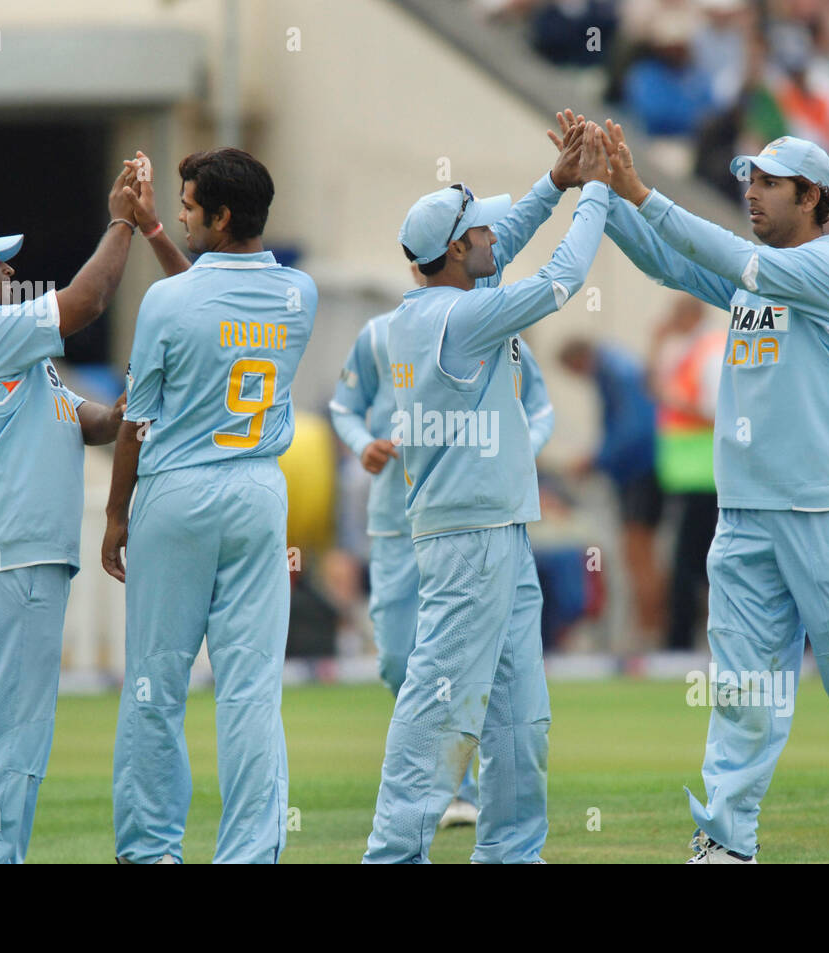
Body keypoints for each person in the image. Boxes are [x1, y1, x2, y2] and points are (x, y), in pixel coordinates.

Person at [591, 119, 829, 863]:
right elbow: (672, 263)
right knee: (743, 690)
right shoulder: (755, 278)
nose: (752, 194)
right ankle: (727, 840)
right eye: (750, 181)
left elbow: (725, 253)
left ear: (814, 197)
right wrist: (603, 195)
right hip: (746, 513)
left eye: (769, 184)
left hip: (828, 509)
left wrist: (639, 188)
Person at [363, 114, 610, 864]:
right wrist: (596, 192)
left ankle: (511, 853)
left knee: (518, 719)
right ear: (456, 251)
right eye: (481, 234)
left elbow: (508, 238)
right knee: (441, 709)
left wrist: (558, 182)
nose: (492, 240)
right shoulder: (462, 318)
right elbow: (562, 278)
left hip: (497, 529)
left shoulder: (435, 302)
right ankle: (392, 853)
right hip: (468, 538)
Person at [0, 158, 147, 863]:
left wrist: (138, 405)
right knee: (4, 726)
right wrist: (121, 222)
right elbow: (88, 300)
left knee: (17, 727)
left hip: (12, 554)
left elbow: (91, 421)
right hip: (8, 553)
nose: (11, 275)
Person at [102, 147, 317, 865]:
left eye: (192, 207)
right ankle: (251, 852)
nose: (185, 216)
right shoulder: (299, 294)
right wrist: (161, 230)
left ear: (223, 216)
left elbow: (135, 419)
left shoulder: (166, 300)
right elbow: (217, 304)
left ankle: (150, 848)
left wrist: (114, 515)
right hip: (259, 493)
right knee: (252, 691)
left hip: (178, 492)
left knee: (154, 683)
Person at [330, 264, 556, 831]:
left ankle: (464, 793)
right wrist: (363, 446)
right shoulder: (379, 335)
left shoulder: (487, 330)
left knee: (478, 665)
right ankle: (429, 798)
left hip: (463, 516)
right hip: (394, 520)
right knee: (397, 659)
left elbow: (540, 407)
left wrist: (515, 450)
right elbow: (342, 405)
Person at [559, 337, 664, 645]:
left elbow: (635, 429)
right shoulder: (618, 366)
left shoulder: (615, 373)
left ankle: (651, 633)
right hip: (641, 471)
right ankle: (652, 629)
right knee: (641, 553)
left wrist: (597, 459)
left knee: (638, 553)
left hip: (641, 472)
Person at [650, 297, 724, 647]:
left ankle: (681, 641)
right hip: (688, 475)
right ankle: (682, 638)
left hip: (705, 477)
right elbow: (655, 387)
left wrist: (676, 402)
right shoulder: (688, 350)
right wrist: (656, 341)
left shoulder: (710, 350)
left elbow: (718, 411)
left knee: (695, 565)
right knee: (690, 563)